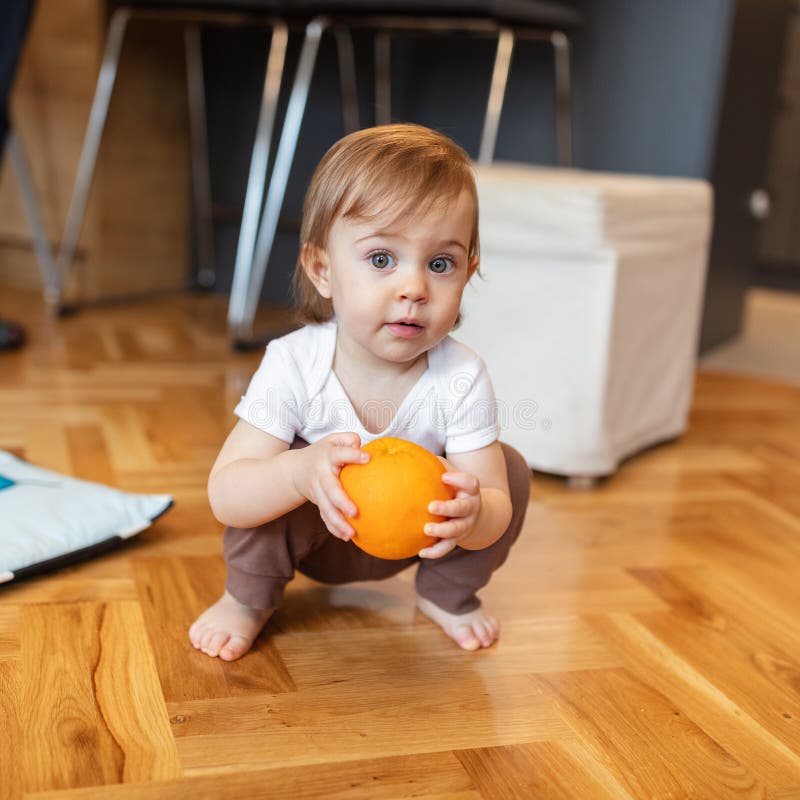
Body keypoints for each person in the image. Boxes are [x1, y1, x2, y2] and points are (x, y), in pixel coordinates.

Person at [190, 123, 530, 661]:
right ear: (322, 269)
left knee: (507, 474)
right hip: (315, 539)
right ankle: (248, 599)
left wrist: (476, 516)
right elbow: (225, 495)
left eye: (440, 264)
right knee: (276, 469)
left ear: (468, 272)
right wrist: (297, 474)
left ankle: (446, 593)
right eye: (381, 259)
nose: (414, 288)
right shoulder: (294, 363)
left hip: (418, 536)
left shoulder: (461, 376)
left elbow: (492, 507)